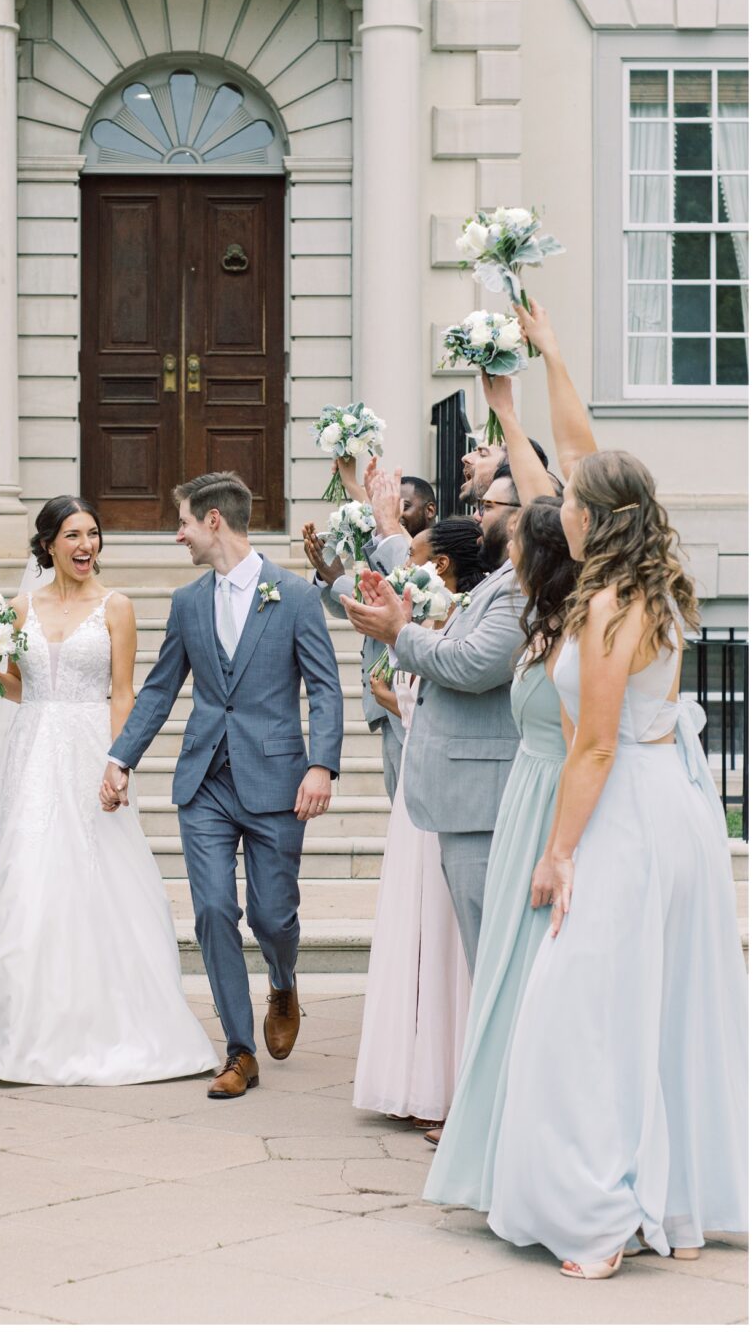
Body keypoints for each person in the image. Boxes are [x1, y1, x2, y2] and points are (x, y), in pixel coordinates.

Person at [487, 445, 748, 1277]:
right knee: (660, 1004)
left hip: (624, 816)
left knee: (586, 1013)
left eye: (569, 498)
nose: (557, 506)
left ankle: (599, 1219)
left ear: (592, 519)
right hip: (668, 807)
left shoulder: (605, 605)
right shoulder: (656, 590)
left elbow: (596, 747)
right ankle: (677, 1211)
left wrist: (556, 853)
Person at [0, 496, 216, 1086]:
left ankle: (100, 1016)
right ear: (48, 545)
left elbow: (123, 693)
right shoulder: (19, 608)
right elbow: (21, 688)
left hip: (89, 749)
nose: (87, 546)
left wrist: (119, 762)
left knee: (93, 870)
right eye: (74, 535)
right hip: (31, 753)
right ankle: (16, 1019)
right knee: (24, 871)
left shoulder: (117, 606)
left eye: (93, 534)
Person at [103, 472, 344, 1100]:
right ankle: (240, 1050)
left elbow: (324, 687)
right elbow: (160, 688)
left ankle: (283, 980)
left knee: (272, 915)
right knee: (212, 911)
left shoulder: (294, 596)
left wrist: (321, 765)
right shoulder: (187, 603)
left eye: (183, 522)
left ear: (214, 521)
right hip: (205, 778)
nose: (178, 535)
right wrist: (121, 757)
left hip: (277, 779)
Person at [423, 372, 580, 1178]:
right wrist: (509, 411)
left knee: (525, 969)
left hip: (550, 806)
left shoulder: (565, 615)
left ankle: (531, 1125)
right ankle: (501, 1118)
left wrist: (560, 850)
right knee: (505, 970)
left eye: (514, 533)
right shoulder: (536, 606)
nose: (500, 541)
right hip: (522, 798)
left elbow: (593, 748)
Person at [343, 467, 526, 972]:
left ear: (518, 519)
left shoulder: (515, 588)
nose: (476, 515)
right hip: (453, 795)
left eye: (487, 507)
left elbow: (471, 664)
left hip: (482, 800)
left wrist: (399, 634)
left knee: (491, 959)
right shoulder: (493, 585)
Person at [352, 517, 484, 1131]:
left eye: (416, 556)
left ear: (443, 567)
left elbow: (424, 692)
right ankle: (412, 1075)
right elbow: (395, 691)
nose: (407, 565)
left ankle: (448, 1080)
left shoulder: (460, 622)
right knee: (416, 924)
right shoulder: (425, 621)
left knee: (445, 931)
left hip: (445, 786)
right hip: (417, 781)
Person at [303, 461, 430, 800]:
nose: (394, 514)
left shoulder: (433, 556)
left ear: (430, 511)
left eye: (403, 506)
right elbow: (355, 611)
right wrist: (327, 576)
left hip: (413, 702)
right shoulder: (383, 550)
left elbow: (392, 603)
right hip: (386, 706)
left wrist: (337, 578)